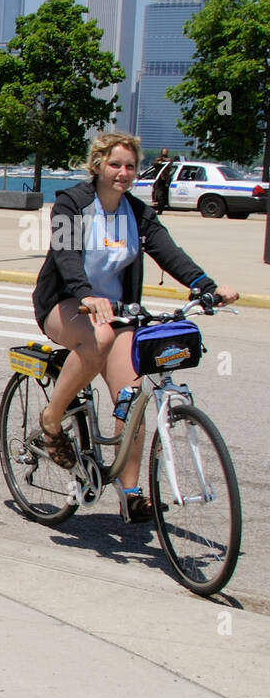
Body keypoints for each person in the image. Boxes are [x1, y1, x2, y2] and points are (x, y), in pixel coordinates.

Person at [31, 132, 238, 522]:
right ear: (97, 166)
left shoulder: (139, 214)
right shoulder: (71, 204)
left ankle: (131, 494)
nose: (123, 173)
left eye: (129, 166)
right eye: (114, 165)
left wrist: (206, 287)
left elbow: (170, 254)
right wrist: (86, 294)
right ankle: (51, 419)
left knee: (133, 397)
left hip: (118, 313)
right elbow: (65, 255)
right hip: (66, 303)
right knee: (101, 338)